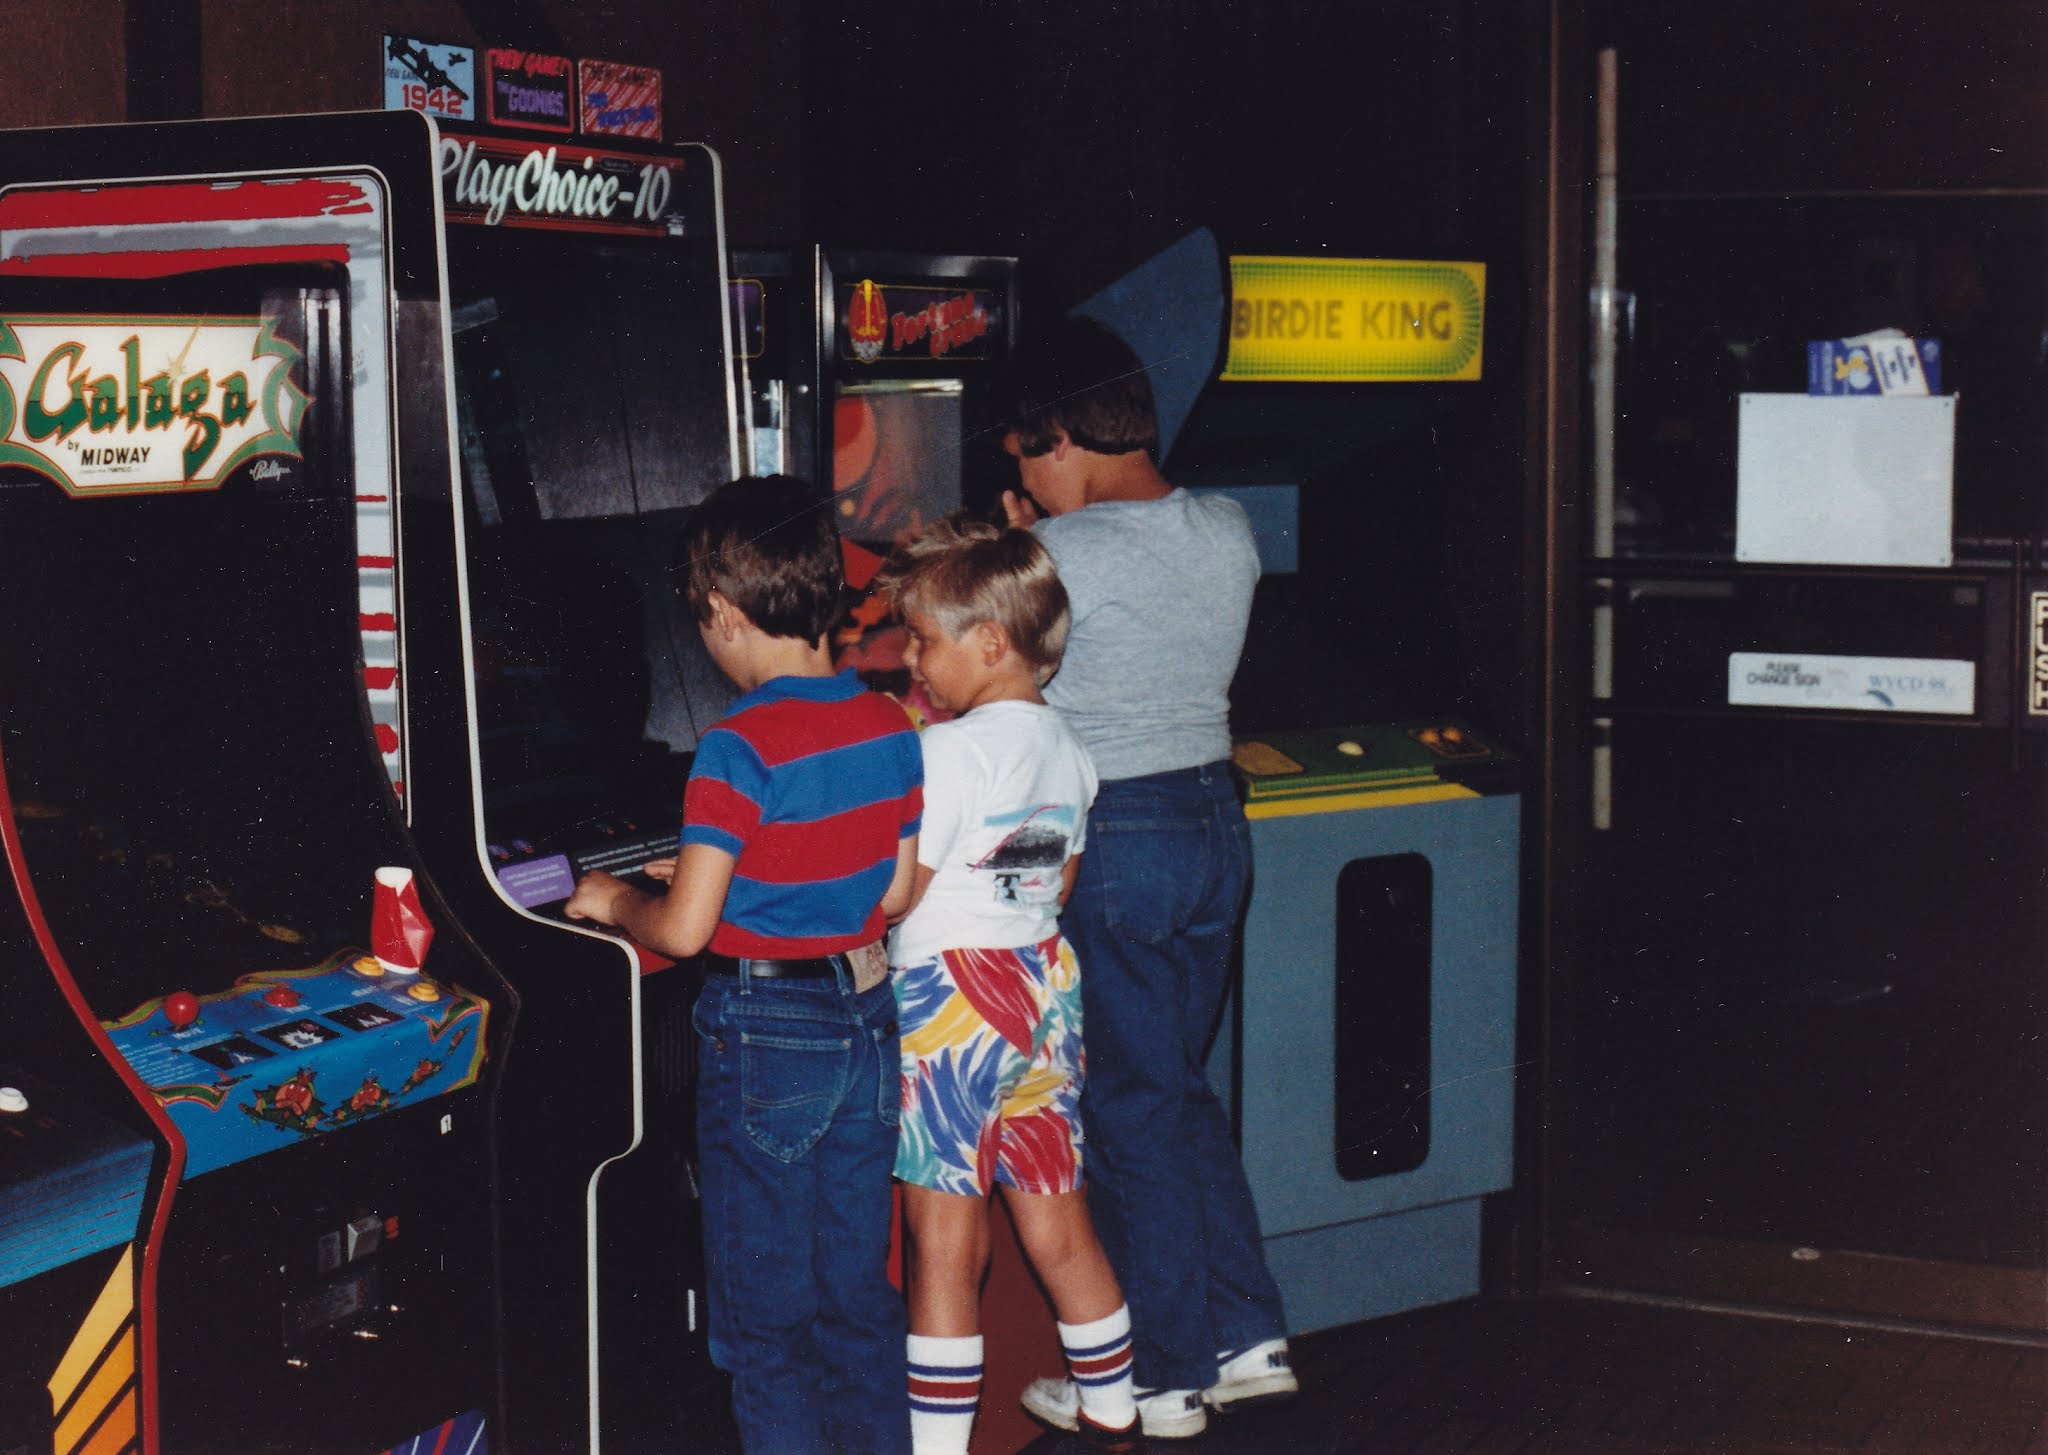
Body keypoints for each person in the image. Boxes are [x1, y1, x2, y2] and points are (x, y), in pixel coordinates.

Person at [565, 474, 924, 1455]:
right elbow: (891, 896)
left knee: (765, 1325)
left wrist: (616, 900)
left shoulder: (733, 747)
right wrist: (746, 874)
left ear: (723, 613)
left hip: (769, 1039)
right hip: (864, 1021)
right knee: (853, 1299)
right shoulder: (887, 723)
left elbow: (681, 934)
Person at [999, 317, 1296, 1441]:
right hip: (1214, 824)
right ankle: (1244, 1334)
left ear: (1060, 437)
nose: (1023, 483)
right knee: (1175, 1090)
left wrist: (1012, 548)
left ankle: (1160, 1376)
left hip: (1114, 835)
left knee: (1124, 1110)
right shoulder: (1223, 528)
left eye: (1026, 459)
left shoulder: (1060, 559)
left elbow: (977, 669)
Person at [873, 517, 1139, 1454]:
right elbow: (1057, 882)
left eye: (924, 640)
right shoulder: (1072, 751)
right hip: (1040, 988)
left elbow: (902, 892)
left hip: (953, 1000)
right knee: (1059, 1221)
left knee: (943, 1246)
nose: (913, 660)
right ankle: (1113, 1410)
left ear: (989, 641)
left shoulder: (943, 754)